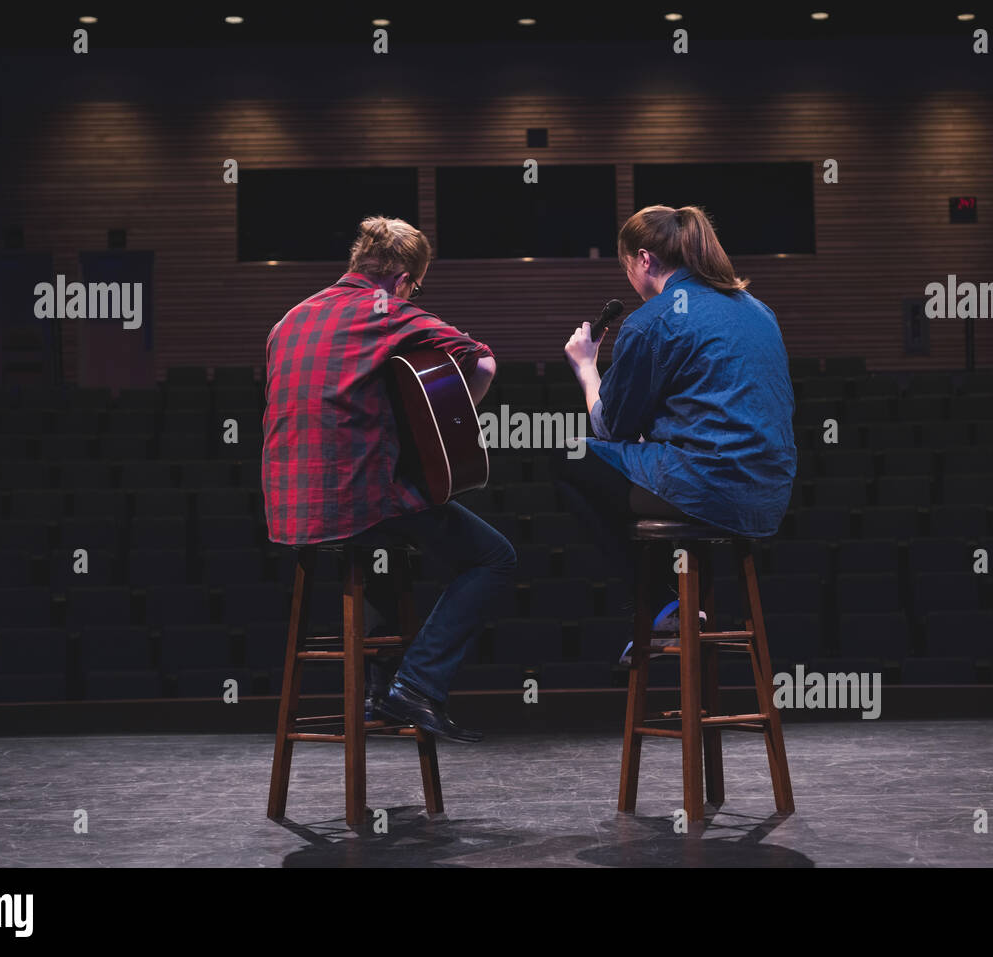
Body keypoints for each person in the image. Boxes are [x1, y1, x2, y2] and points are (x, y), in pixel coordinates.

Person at [261, 215, 516, 742]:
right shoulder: (390, 312)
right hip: (357, 501)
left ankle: (379, 696)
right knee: (494, 558)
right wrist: (444, 425)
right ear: (403, 280)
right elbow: (482, 359)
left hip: (288, 509)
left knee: (387, 544)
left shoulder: (287, 321)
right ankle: (416, 687)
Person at [557, 205, 797, 661]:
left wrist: (587, 369)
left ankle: (662, 606)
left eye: (626, 266)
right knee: (653, 467)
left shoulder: (652, 320)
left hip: (710, 486)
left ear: (644, 260)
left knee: (571, 458)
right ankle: (683, 610)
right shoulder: (759, 310)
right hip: (768, 494)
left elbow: (610, 429)